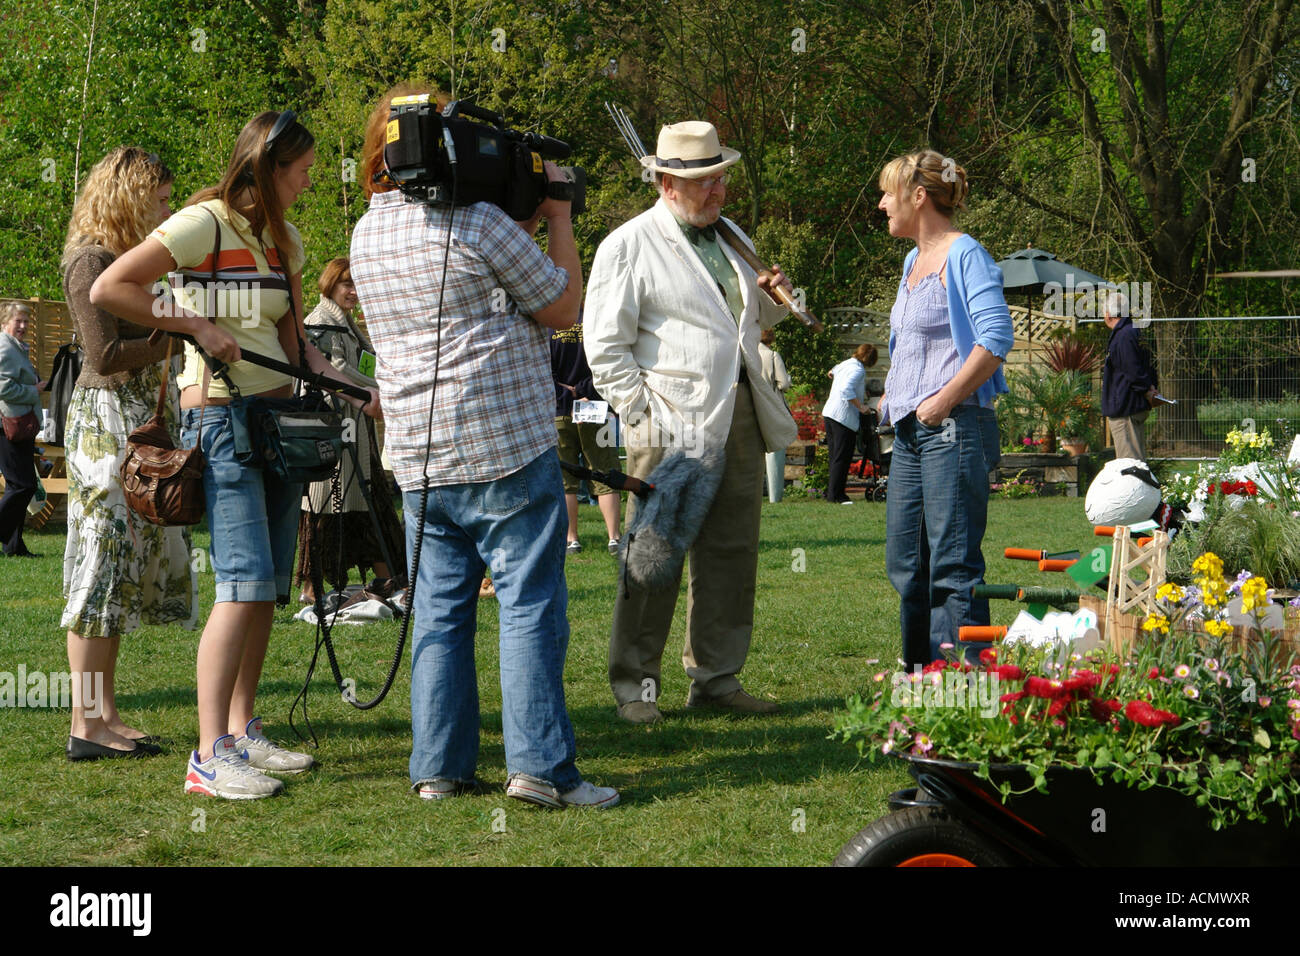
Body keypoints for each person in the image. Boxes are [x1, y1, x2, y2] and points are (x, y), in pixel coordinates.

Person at [92, 110, 380, 799]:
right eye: (303, 169)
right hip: (220, 420)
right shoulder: (204, 223)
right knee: (243, 581)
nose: (311, 180)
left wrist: (359, 385)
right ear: (268, 167)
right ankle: (206, 754)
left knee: (268, 588)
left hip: (280, 420)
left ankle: (241, 731)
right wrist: (194, 324)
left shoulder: (285, 241)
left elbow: (300, 348)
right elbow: (113, 288)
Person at [349, 84, 617, 809]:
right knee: (529, 603)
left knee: (438, 609)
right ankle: (542, 771)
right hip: (504, 442)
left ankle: (439, 769)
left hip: (418, 453)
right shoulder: (480, 225)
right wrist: (557, 214)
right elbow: (562, 307)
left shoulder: (366, 233)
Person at [585, 121, 796, 723]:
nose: (718, 190)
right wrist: (643, 416)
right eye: (704, 181)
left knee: (732, 554)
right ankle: (636, 687)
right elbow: (605, 347)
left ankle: (716, 679)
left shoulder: (733, 237)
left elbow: (744, 328)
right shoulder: (627, 244)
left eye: (721, 177)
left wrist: (778, 300)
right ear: (667, 182)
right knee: (654, 556)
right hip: (670, 424)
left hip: (739, 413)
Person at [60, 146, 196, 760]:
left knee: (116, 571)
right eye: (161, 197)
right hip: (102, 428)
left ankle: (105, 714)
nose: (167, 208)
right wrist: (178, 334)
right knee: (96, 570)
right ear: (130, 195)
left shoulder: (126, 260)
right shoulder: (90, 260)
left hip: (131, 422)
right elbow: (103, 358)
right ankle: (85, 725)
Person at [876, 149, 1013, 669]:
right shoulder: (912, 261)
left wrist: (942, 400)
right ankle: (917, 675)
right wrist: (897, 391)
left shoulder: (966, 255)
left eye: (891, 193)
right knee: (907, 564)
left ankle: (959, 683)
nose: (883, 204)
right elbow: (912, 341)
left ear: (918, 196)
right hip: (911, 432)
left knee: (953, 565)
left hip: (955, 428)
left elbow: (996, 337)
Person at [296, 257, 405, 604]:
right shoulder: (320, 324)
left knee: (370, 504)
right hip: (332, 434)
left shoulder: (347, 324)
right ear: (330, 284)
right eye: (347, 285)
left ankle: (390, 579)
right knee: (325, 510)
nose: (354, 292)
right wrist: (379, 389)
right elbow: (335, 371)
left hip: (357, 432)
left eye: (358, 285)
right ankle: (312, 587)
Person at [550, 313, 622, 555]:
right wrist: (586, 391)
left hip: (558, 410)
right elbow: (607, 364)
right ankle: (614, 538)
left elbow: (541, 368)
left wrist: (569, 392)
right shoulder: (596, 322)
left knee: (566, 480)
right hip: (595, 407)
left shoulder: (548, 324)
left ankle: (572, 540)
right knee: (606, 472)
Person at [0, 301, 45, 557]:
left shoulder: (17, 348)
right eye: (18, 321)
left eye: (26, 321)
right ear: (5, 322)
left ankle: (14, 546)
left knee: (17, 485)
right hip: (7, 425)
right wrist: (33, 390)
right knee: (23, 485)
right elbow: (2, 388)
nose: (24, 326)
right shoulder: (4, 347)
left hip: (19, 424)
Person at [1101, 289, 1158, 462]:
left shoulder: (1123, 336)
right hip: (1133, 406)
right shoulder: (1132, 331)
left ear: (1109, 314)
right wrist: (1149, 387)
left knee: (1130, 464)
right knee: (1137, 461)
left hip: (1125, 409)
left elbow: (1132, 370)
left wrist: (1146, 389)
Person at [822, 343, 877, 504]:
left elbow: (830, 373)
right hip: (843, 417)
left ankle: (832, 492)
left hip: (830, 413)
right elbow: (846, 389)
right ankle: (837, 496)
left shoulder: (845, 363)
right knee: (842, 457)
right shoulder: (858, 369)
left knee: (834, 456)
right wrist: (861, 407)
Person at [758, 328, 792, 503]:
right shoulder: (772, 356)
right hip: (771, 408)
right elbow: (784, 384)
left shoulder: (745, 353)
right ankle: (774, 496)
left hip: (751, 408)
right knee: (775, 452)